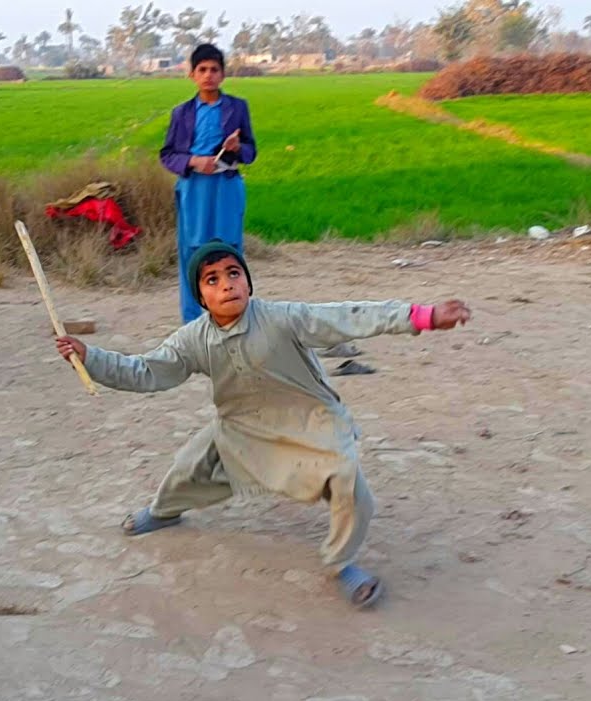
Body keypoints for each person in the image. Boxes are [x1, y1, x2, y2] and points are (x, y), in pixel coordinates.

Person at [54, 241, 473, 608]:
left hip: (309, 421)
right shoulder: (192, 340)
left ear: (249, 283)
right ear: (200, 296)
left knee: (348, 482)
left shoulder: (282, 318)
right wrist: (91, 356)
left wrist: (421, 315)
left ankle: (342, 564)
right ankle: (164, 513)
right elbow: (145, 371)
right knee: (189, 466)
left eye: (233, 274)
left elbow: (347, 317)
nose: (226, 285)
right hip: (242, 426)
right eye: (212, 279)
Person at [160, 43, 255, 324]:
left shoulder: (237, 108)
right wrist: (193, 161)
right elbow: (168, 154)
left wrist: (237, 147)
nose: (208, 75)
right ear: (192, 75)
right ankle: (193, 323)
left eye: (214, 69)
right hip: (194, 190)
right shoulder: (182, 113)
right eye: (202, 69)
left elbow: (251, 152)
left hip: (226, 186)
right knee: (192, 252)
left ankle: (233, 317)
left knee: (229, 249)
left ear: (223, 75)